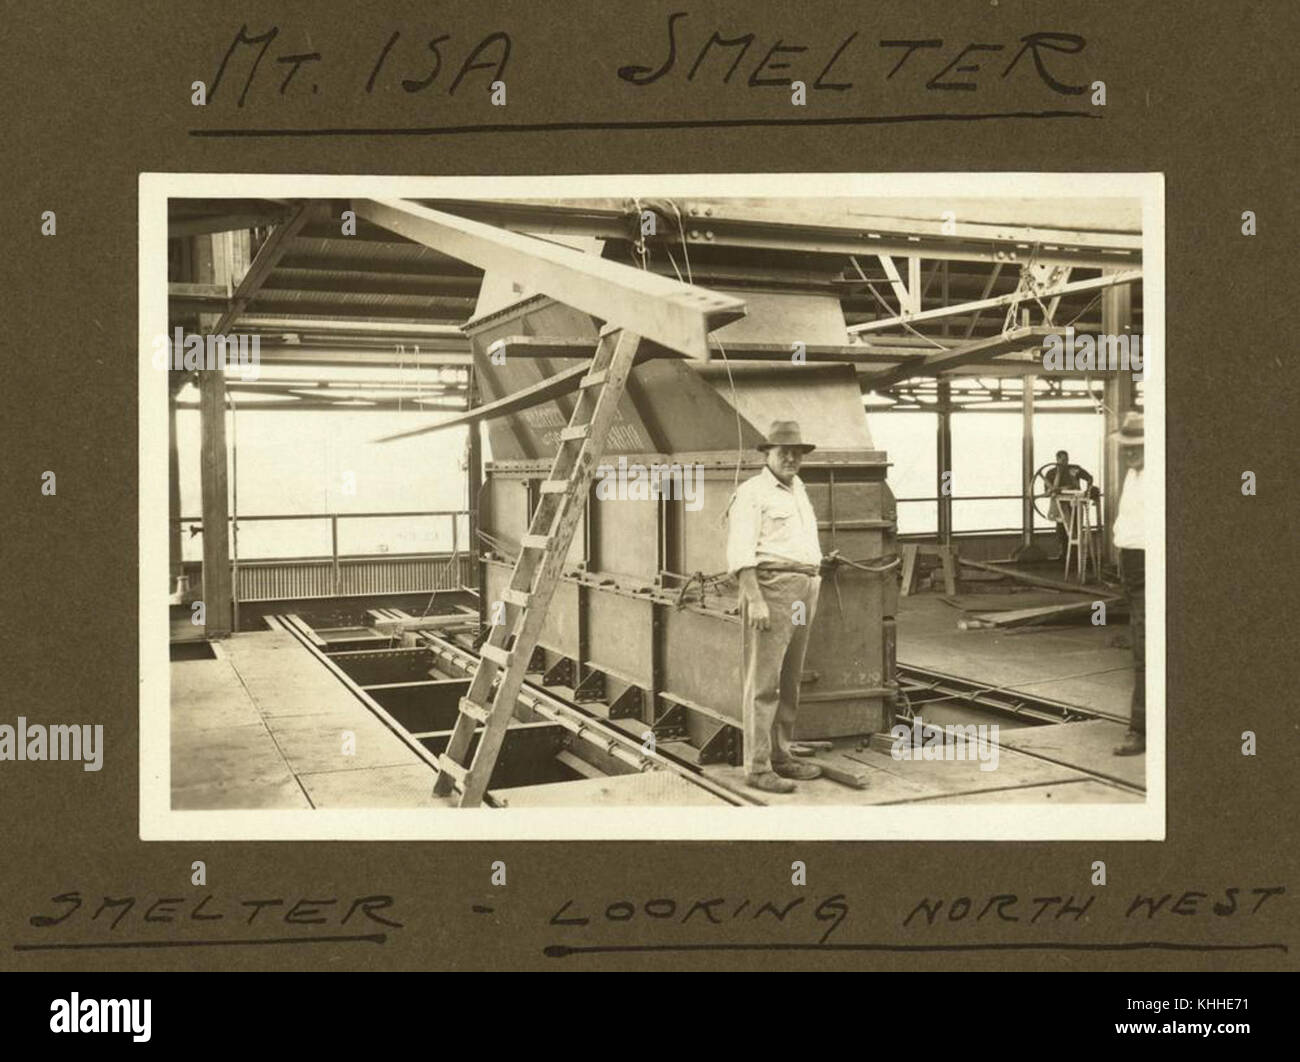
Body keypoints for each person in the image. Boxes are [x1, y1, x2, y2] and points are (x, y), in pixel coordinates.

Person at [725, 421, 829, 794]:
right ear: (766, 454)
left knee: (789, 677)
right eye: (783, 451)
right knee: (763, 681)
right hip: (772, 590)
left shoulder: (798, 489)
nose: (791, 457)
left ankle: (781, 755)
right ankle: (757, 766)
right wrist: (755, 600)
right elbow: (740, 552)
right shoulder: (752, 493)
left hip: (804, 589)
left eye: (797, 452)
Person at [1109, 413, 1145, 756]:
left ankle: (1140, 729)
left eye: (1136, 448)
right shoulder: (1132, 475)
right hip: (1131, 566)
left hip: (1151, 563)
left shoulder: (1161, 476)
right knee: (1140, 645)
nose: (1129, 453)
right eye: (1127, 448)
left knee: (1146, 651)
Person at [1045, 450, 1095, 561]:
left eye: (1066, 460)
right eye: (1062, 460)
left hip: (1075, 503)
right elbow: (1048, 492)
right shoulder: (1051, 473)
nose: (1065, 463)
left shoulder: (1075, 469)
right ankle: (1064, 556)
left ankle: (1077, 557)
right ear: (1057, 460)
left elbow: (1089, 477)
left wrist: (1089, 489)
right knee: (1062, 531)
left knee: (1077, 529)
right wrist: (1058, 490)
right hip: (1060, 505)